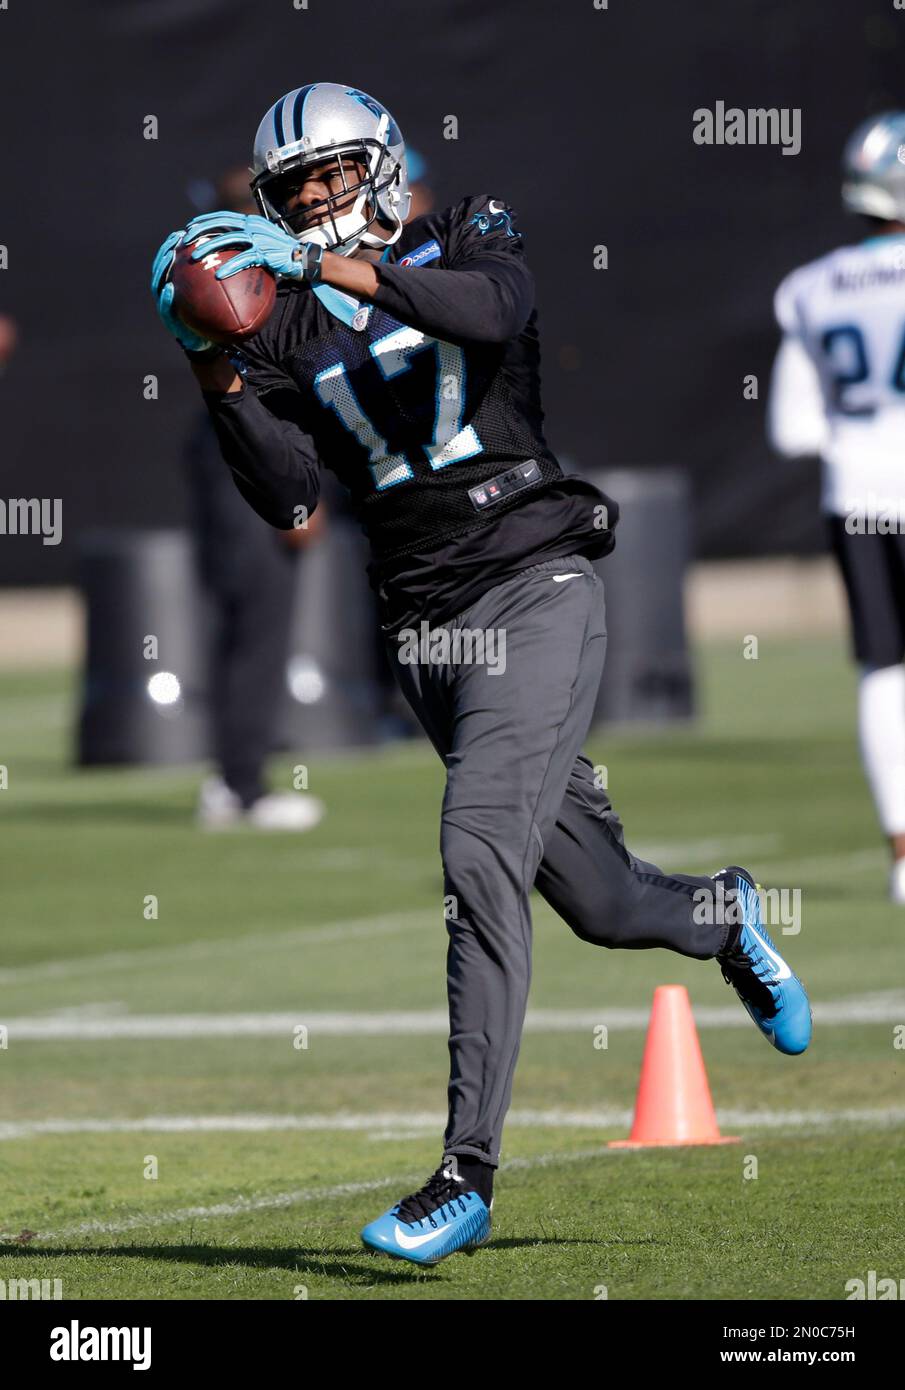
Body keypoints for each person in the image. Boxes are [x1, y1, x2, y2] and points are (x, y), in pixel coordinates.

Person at [152, 82, 812, 1266]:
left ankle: (463, 1174)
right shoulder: (288, 329)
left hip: (536, 585)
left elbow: (492, 312)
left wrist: (330, 275)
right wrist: (215, 368)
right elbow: (289, 494)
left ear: (385, 164)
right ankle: (721, 915)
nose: (314, 206)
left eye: (330, 178)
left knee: (473, 849)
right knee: (603, 906)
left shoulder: (465, 234)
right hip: (426, 636)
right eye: (292, 193)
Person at [769, 112, 905, 903]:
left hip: (856, 495)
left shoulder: (812, 287)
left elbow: (791, 429)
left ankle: (899, 852)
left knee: (884, 670)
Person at [187, 167, 325, 832]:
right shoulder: (230, 279)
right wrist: (297, 500)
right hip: (241, 458)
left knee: (249, 627)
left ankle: (237, 777)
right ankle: (239, 786)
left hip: (238, 451)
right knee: (257, 625)